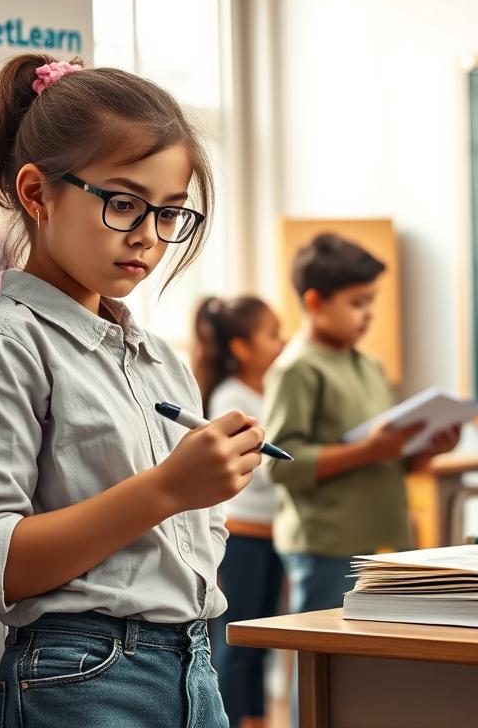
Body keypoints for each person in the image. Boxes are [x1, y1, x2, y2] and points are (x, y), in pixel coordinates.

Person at [0, 54, 261, 727]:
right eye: (122, 202)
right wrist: (168, 488)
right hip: (83, 675)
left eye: (171, 214)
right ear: (35, 194)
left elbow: (195, 538)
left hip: (195, 664)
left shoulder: (159, 360)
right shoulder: (5, 345)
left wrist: (200, 491)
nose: (147, 236)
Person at [262, 233, 460, 722]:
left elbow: (384, 457)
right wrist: (370, 449)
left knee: (368, 663)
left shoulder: (368, 365)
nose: (369, 314)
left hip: (379, 535)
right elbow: (279, 463)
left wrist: (424, 452)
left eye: (372, 302)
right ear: (315, 302)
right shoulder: (297, 369)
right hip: (326, 542)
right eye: (358, 303)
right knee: (320, 662)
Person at [193, 296, 286, 728]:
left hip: (274, 531)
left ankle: (257, 719)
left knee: (263, 637)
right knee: (239, 637)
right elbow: (249, 467)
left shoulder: (275, 390)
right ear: (243, 348)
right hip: (245, 532)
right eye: (272, 334)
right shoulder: (233, 397)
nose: (283, 341)